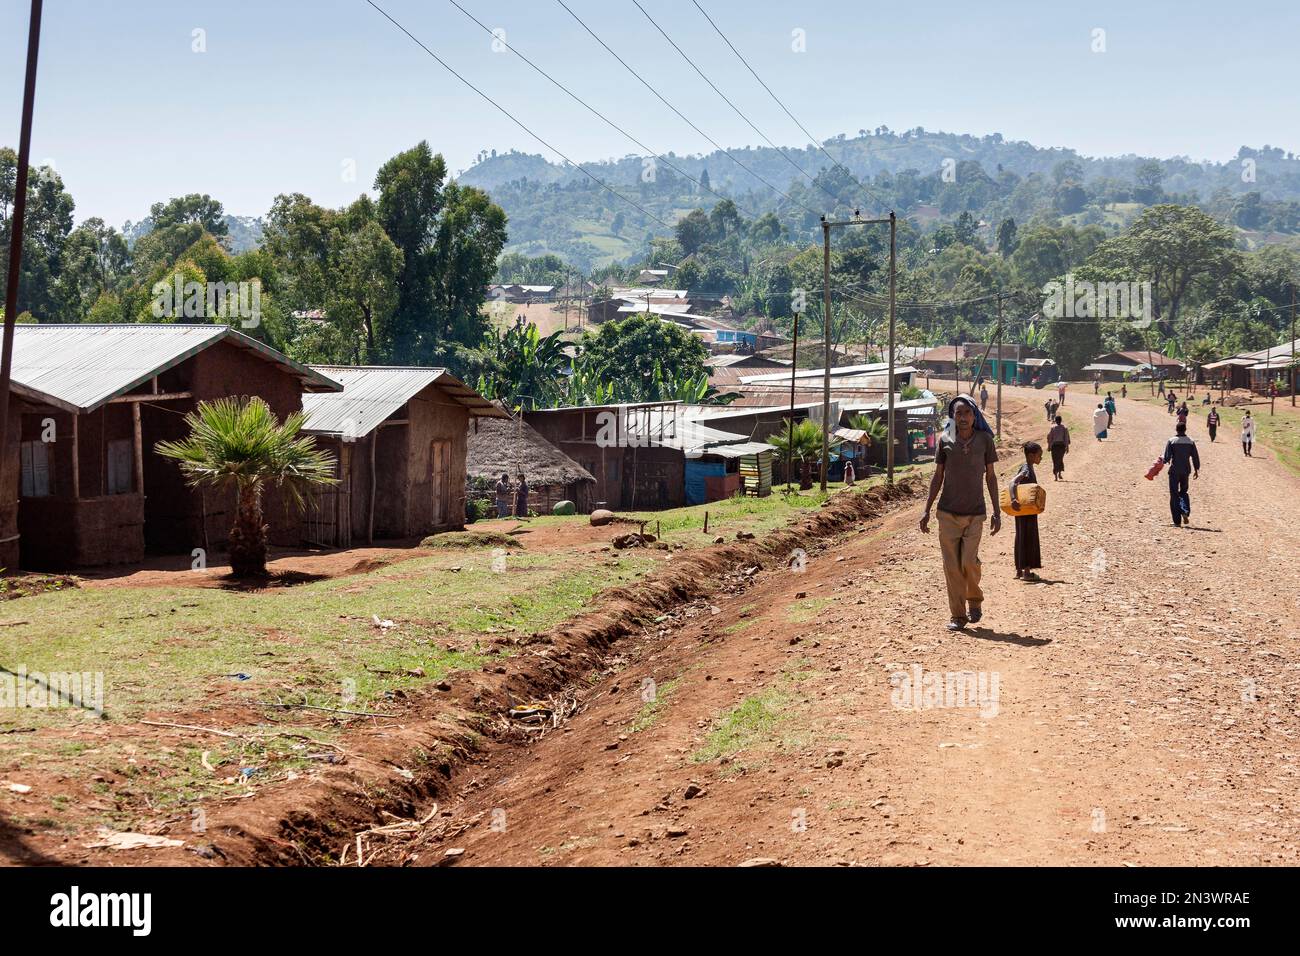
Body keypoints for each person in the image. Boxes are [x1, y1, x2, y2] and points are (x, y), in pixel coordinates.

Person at [919, 395, 1000, 631]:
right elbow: (938, 476)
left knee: (968, 562)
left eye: (967, 413)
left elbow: (991, 477)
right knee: (951, 566)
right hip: (947, 513)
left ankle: (974, 599)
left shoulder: (985, 440)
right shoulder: (946, 440)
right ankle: (958, 615)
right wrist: (926, 510)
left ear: (975, 416)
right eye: (958, 413)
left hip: (975, 513)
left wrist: (996, 511)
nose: (962, 417)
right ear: (952, 417)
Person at [1009, 441, 1043, 580]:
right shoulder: (1026, 469)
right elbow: (1012, 483)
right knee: (1028, 538)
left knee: (1021, 536)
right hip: (1025, 510)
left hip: (1024, 511)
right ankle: (1027, 572)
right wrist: (1013, 499)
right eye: (1039, 455)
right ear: (1031, 455)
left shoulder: (1027, 467)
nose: (1041, 458)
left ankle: (1019, 570)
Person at [1162, 422, 1201, 527]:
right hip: (1186, 471)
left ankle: (1177, 521)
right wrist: (1196, 469)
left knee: (1174, 494)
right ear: (1185, 429)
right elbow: (1195, 457)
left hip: (1174, 471)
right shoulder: (1190, 442)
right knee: (1183, 492)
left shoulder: (1171, 441)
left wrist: (1161, 462)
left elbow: (1166, 457)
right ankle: (1185, 511)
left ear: (1176, 429)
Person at [1047, 415, 1070, 480]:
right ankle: (1059, 474)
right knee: (1060, 460)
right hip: (1061, 446)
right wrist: (1067, 447)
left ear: (1056, 421)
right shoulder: (1064, 428)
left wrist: (1049, 447)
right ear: (1061, 420)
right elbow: (1066, 438)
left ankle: (1056, 477)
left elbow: (1050, 438)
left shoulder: (1053, 428)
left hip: (1054, 446)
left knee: (1055, 460)